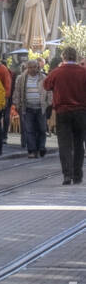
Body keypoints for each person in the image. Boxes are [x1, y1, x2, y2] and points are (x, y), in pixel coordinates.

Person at [44, 46, 86, 185]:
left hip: (63, 112)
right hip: (81, 112)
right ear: (76, 57)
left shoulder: (57, 72)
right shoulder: (83, 72)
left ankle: (67, 175)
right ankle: (78, 175)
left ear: (63, 57)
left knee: (64, 144)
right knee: (79, 144)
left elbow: (46, 85)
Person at [13, 57, 51, 159]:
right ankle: (32, 150)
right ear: (27, 68)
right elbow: (17, 92)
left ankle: (41, 147)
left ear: (38, 67)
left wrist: (49, 103)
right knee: (29, 130)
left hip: (41, 107)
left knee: (42, 129)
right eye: (30, 67)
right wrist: (17, 104)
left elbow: (49, 91)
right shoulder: (21, 78)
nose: (33, 69)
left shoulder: (43, 78)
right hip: (28, 108)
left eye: (35, 67)